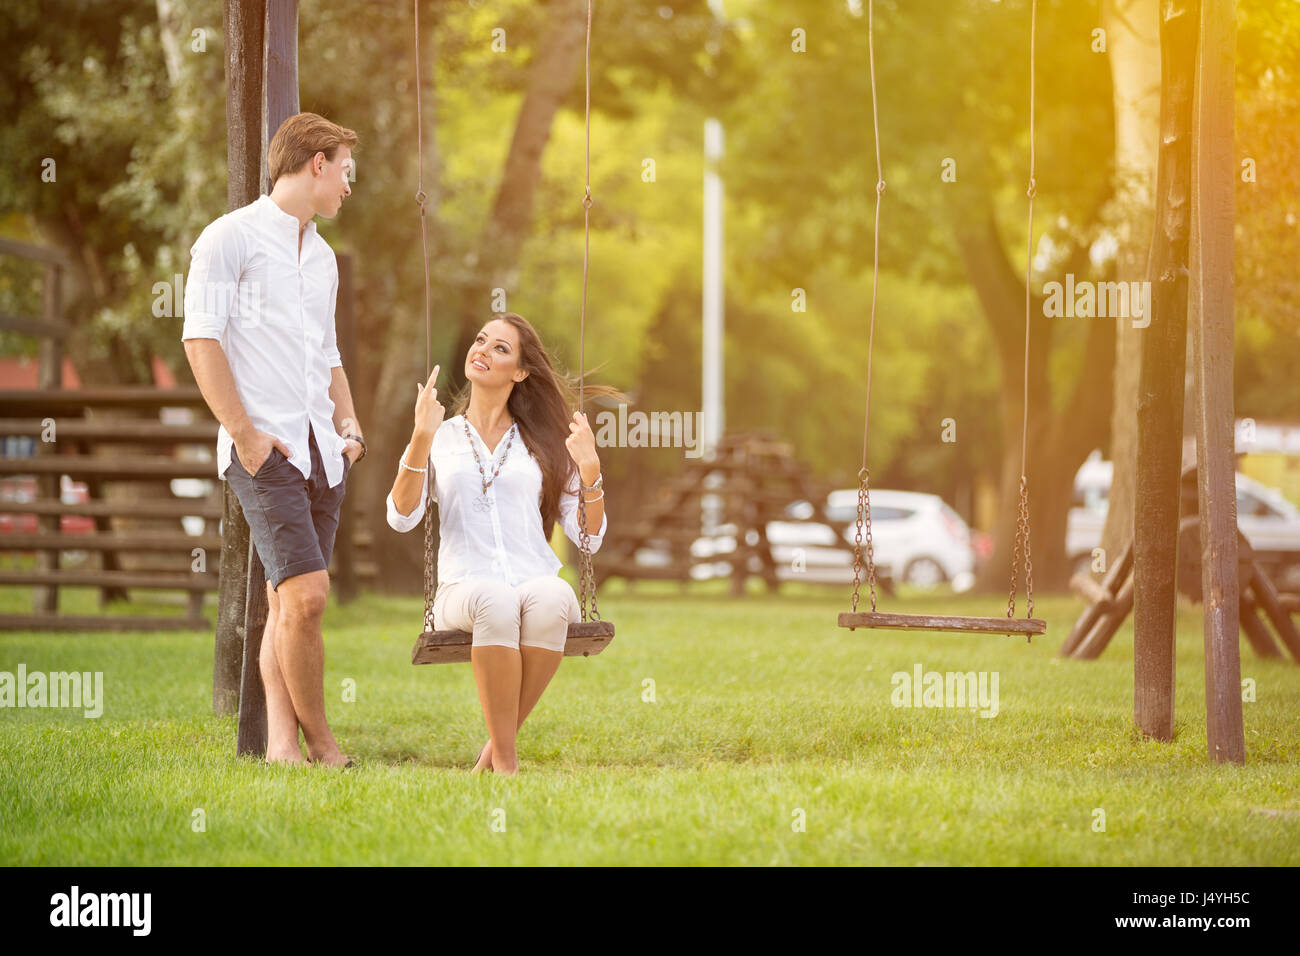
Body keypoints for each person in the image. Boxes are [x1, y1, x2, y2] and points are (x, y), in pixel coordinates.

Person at [182, 112, 365, 768]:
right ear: (317, 163)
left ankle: (282, 745)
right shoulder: (228, 239)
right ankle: (325, 743)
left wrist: (349, 427)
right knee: (309, 596)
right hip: (266, 454)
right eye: (345, 170)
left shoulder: (323, 258)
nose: (349, 185)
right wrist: (247, 438)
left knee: (287, 601)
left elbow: (330, 354)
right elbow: (200, 340)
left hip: (324, 453)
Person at [387, 313, 619, 776]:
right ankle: (506, 763)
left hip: (532, 578)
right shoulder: (442, 436)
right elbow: (400, 515)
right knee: (495, 600)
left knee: (555, 596)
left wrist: (590, 471)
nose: (482, 351)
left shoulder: (547, 443)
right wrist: (419, 436)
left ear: (520, 372)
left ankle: (490, 759)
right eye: (480, 340)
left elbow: (588, 536)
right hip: (464, 588)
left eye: (500, 348)